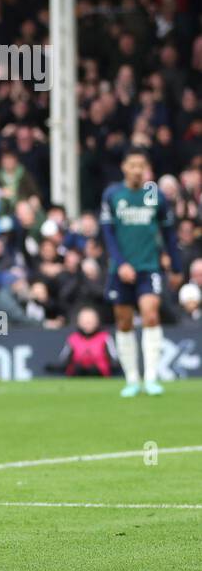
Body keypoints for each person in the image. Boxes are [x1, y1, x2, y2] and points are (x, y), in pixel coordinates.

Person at [100, 148, 180, 397]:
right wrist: (121, 263)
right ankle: (132, 378)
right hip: (120, 269)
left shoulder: (154, 194)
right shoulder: (113, 194)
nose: (136, 170)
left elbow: (169, 233)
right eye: (132, 165)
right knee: (123, 322)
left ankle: (152, 378)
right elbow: (108, 234)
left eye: (141, 165)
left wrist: (176, 266)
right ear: (124, 167)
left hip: (149, 267)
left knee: (150, 315)